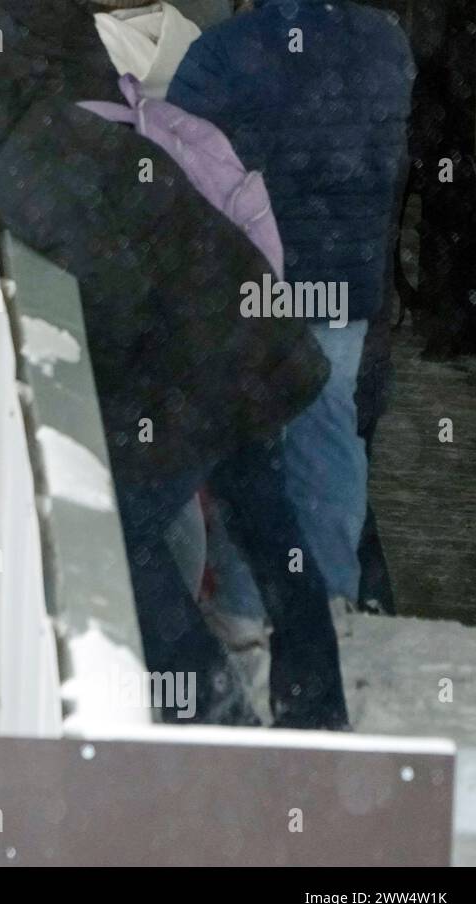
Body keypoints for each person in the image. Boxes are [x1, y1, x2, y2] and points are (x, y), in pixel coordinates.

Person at [0, 2, 350, 728]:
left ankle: (212, 711)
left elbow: (112, 292)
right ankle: (317, 713)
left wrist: (107, 415)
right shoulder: (52, 133)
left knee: (116, 537)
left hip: (199, 374)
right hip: (250, 343)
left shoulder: (24, 170)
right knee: (273, 537)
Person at [166, 0, 414, 637]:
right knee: (330, 437)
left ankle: (250, 613)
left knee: (251, 452)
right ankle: (332, 606)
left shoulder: (222, 55)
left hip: (254, 287)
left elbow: (178, 173)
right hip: (345, 289)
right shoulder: (387, 46)